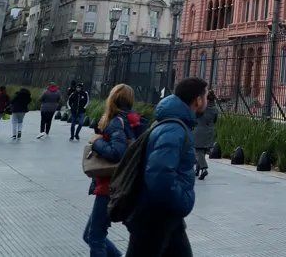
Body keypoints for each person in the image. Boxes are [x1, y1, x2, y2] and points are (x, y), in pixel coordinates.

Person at [125, 77, 207, 257]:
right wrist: (181, 200)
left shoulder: (174, 124)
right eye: (206, 96)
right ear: (198, 100)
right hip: (156, 216)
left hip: (165, 215)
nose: (207, 101)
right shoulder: (174, 129)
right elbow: (159, 175)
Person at [84, 83, 146, 257]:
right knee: (90, 235)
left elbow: (117, 153)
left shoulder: (116, 122)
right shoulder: (134, 120)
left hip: (109, 186)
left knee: (95, 237)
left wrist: (96, 142)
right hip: (123, 184)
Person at [192, 90, 218, 181]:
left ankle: (204, 169)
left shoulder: (201, 108)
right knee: (202, 151)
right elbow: (215, 120)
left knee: (198, 151)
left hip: (199, 130)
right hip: (210, 131)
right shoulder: (215, 109)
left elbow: (193, 117)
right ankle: (197, 170)